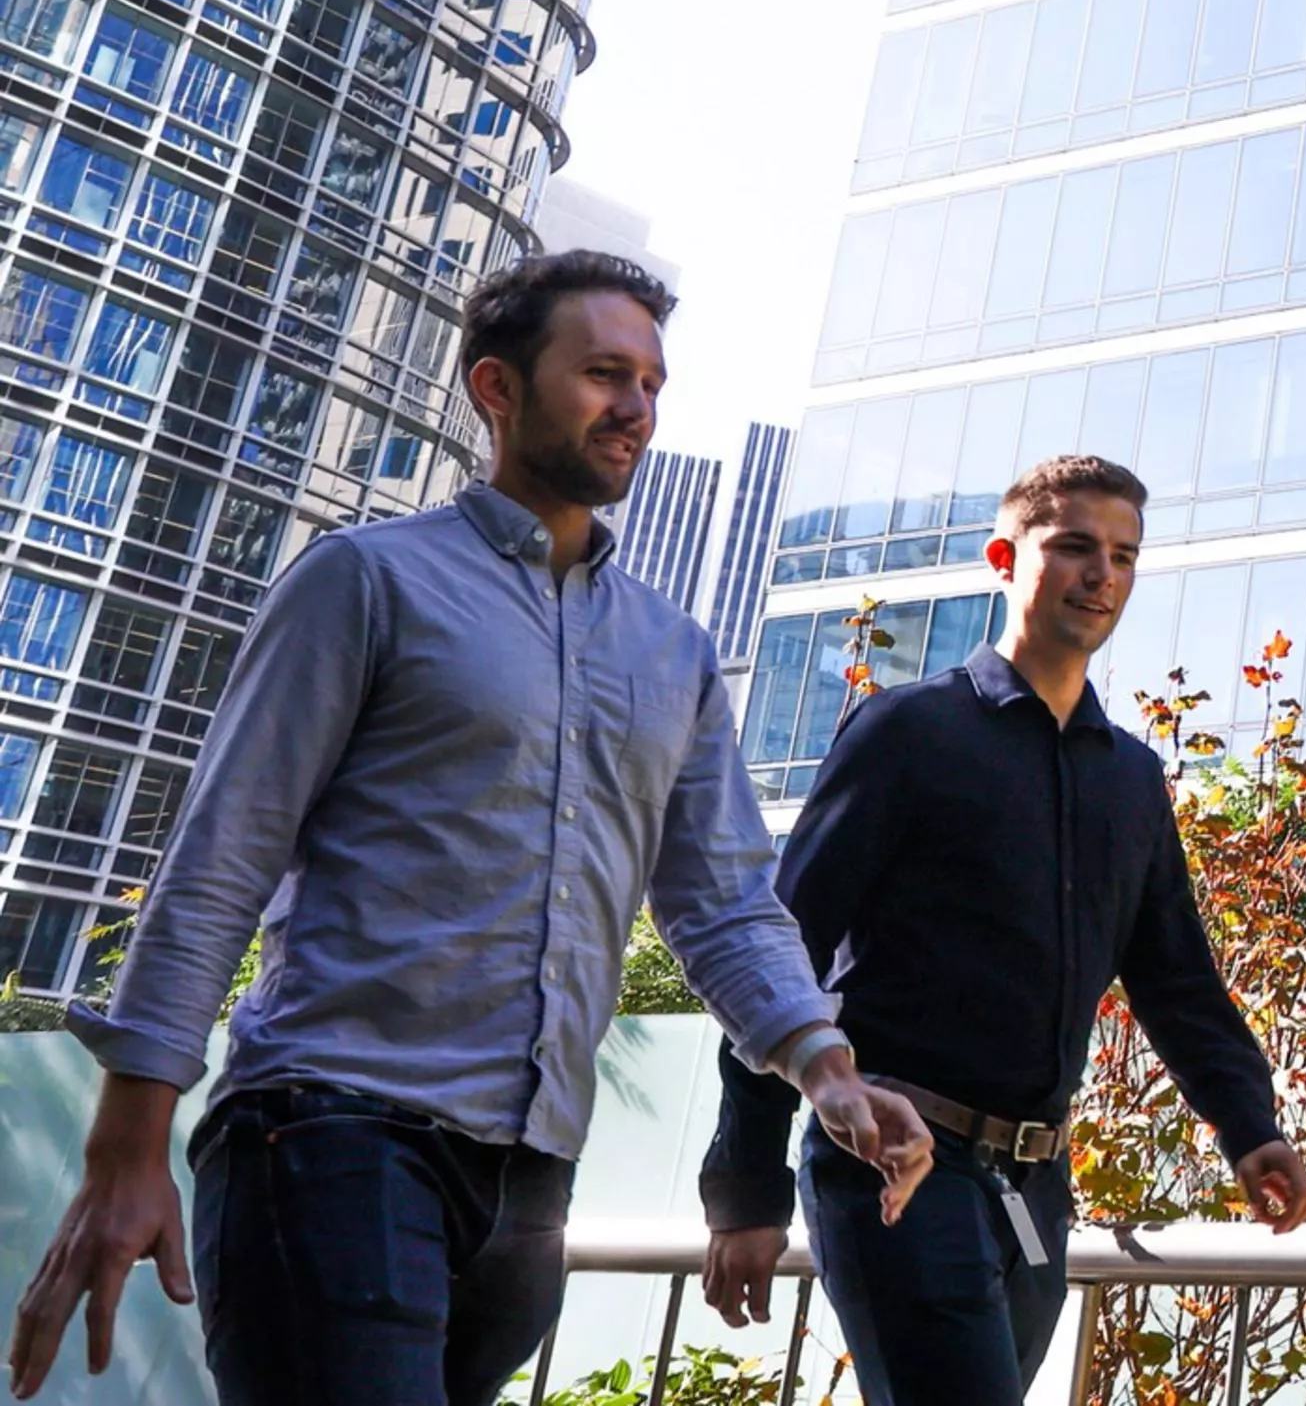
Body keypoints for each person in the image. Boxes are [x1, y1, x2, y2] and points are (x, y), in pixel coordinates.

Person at [7, 249, 932, 1406]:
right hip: (331, 1132)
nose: (636, 407)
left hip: (530, 1179)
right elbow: (221, 854)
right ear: (496, 387)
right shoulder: (364, 581)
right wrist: (124, 1145)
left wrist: (826, 1067)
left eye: (651, 381)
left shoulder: (675, 651)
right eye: (604, 372)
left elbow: (725, 898)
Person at [696, 452, 1306, 1406]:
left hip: (1035, 1194)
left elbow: (1177, 979)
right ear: (1005, 556)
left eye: (1122, 554)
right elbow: (784, 948)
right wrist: (746, 1188)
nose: (1101, 574)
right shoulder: (908, 732)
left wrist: (1248, 1126)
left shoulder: (1133, 781)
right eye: (1074, 546)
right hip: (895, 1170)